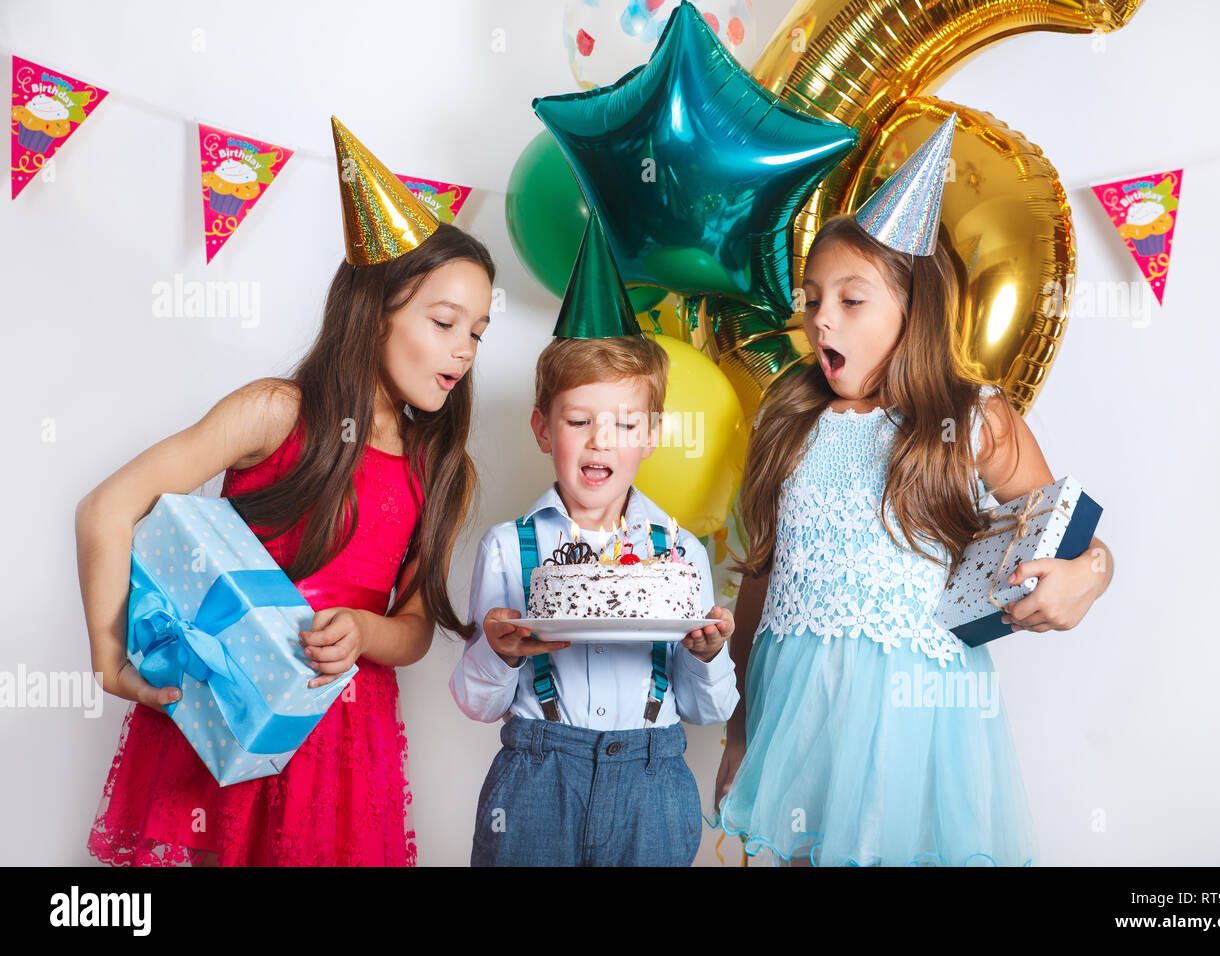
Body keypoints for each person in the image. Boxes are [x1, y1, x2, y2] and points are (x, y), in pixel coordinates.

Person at [79, 118, 494, 865]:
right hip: (222, 713)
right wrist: (112, 660)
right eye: (444, 322)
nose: (464, 349)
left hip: (340, 747)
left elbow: (414, 627)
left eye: (479, 332)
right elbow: (107, 507)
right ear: (377, 313)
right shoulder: (276, 412)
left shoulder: (442, 470)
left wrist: (365, 634)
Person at [713, 114, 1114, 866]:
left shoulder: (976, 421)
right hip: (802, 725)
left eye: (851, 299)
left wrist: (1086, 576)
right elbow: (760, 586)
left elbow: (1075, 539)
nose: (820, 316)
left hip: (918, 726)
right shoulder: (790, 422)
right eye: (812, 297)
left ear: (914, 308)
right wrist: (741, 731)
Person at [450, 214, 739, 866]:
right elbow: (475, 702)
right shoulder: (509, 549)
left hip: (652, 784)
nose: (600, 439)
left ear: (652, 434)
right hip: (535, 781)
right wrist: (500, 652)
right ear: (543, 429)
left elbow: (706, 708)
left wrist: (707, 652)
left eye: (623, 422)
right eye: (579, 420)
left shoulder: (682, 553)